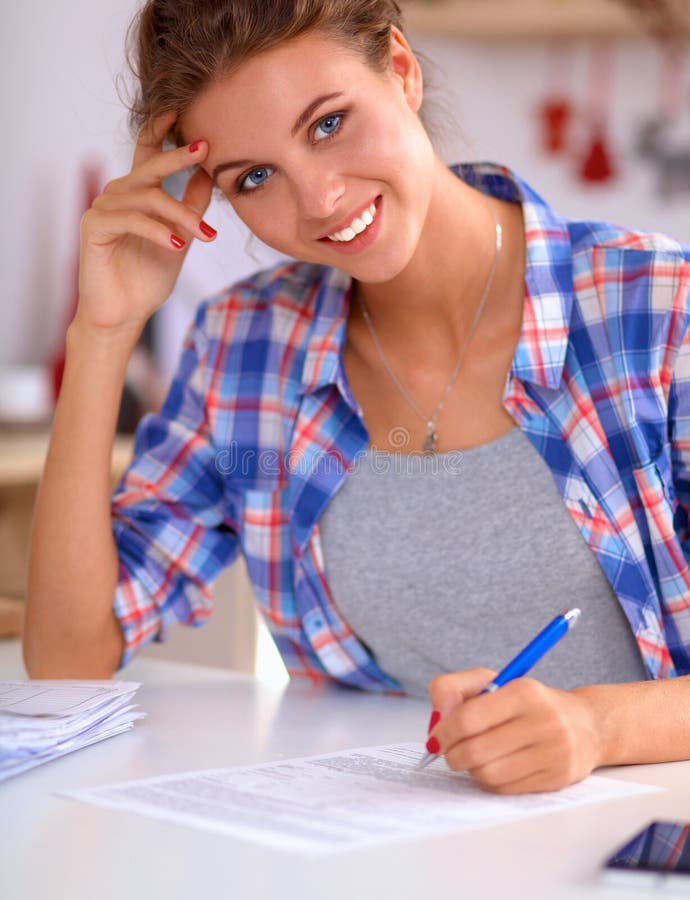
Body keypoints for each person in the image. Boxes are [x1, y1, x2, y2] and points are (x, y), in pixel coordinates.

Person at [24, 0, 690, 795]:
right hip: (389, 838)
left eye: (329, 124)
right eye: (255, 177)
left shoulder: (656, 310)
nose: (318, 201)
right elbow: (69, 657)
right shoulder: (246, 353)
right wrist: (103, 331)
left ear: (401, 70)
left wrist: (597, 726)